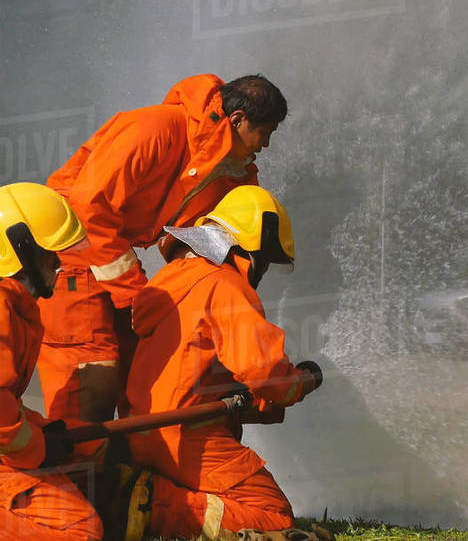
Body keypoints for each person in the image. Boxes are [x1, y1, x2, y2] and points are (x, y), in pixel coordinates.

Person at [40, 74, 288, 424]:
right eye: (266, 132)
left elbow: (197, 240)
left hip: (113, 257)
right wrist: (134, 293)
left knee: (142, 373)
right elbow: (88, 209)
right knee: (91, 385)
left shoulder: (232, 173)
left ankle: (127, 469)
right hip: (67, 255)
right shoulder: (155, 128)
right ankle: (74, 473)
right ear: (237, 120)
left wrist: (211, 302)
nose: (266, 145)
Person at [120, 185, 321, 539]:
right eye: (267, 259)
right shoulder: (224, 286)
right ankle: (152, 504)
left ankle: (143, 488)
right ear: (254, 247)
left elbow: (204, 371)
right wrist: (299, 383)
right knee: (272, 514)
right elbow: (264, 371)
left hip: (145, 433)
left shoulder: (173, 280)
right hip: (188, 436)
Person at [0, 182, 100, 539]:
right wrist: (40, 448)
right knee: (79, 531)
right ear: (21, 248)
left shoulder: (14, 305)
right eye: (49, 253)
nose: (58, 263)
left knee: (86, 453)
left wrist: (43, 431)